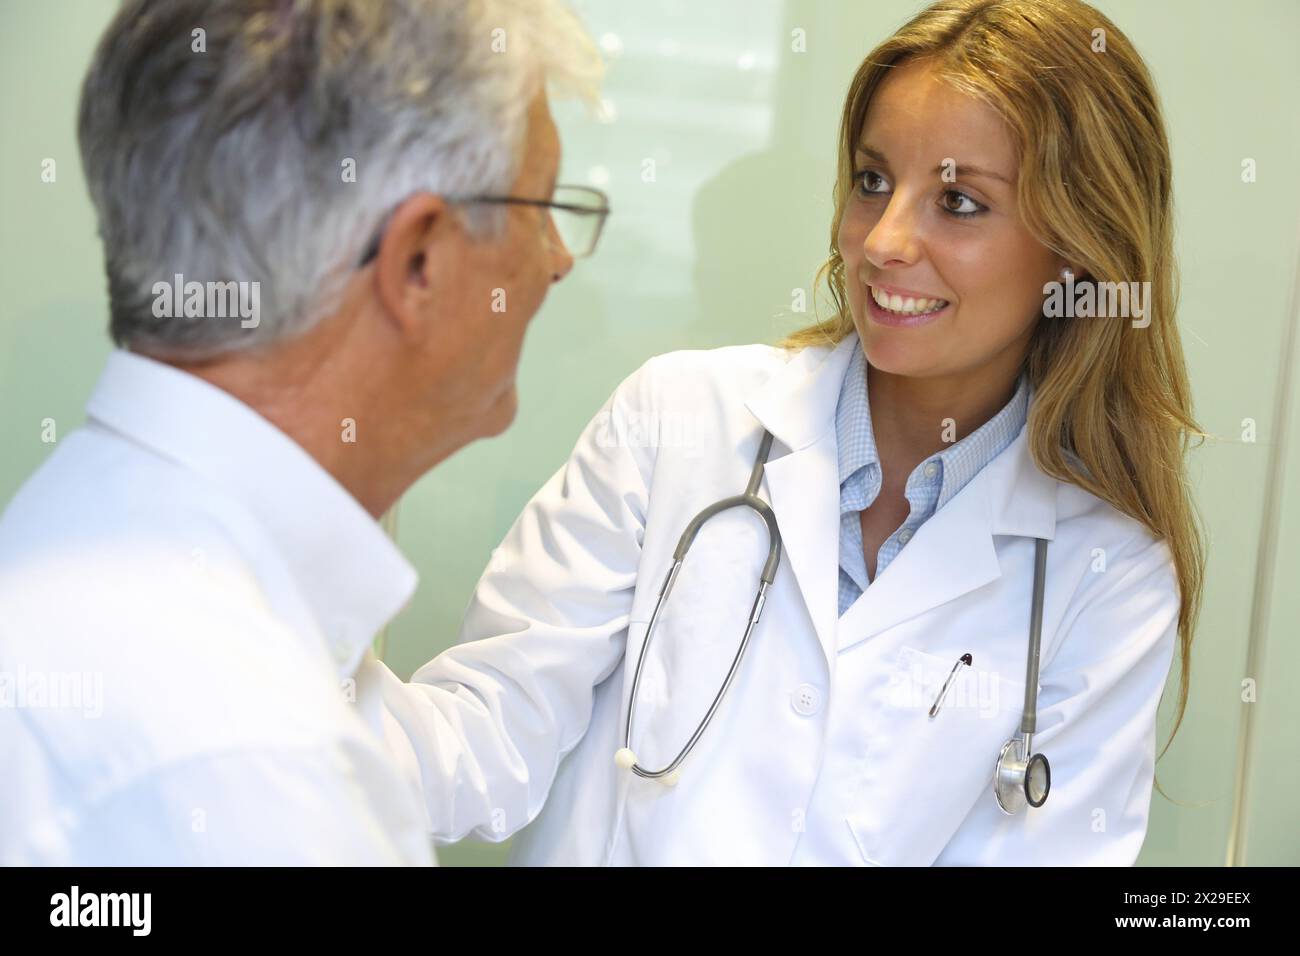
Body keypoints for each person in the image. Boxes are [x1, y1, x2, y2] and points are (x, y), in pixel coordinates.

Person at [380, 0, 1206, 864]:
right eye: (874, 182)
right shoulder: (677, 418)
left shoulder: (1106, 572)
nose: (882, 242)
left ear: (1076, 250)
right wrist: (294, 650)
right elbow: (482, 742)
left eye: (958, 201)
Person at [0, 0, 605, 865]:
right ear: (419, 260)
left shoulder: (80, 530)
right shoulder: (260, 773)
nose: (558, 259)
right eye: (539, 208)